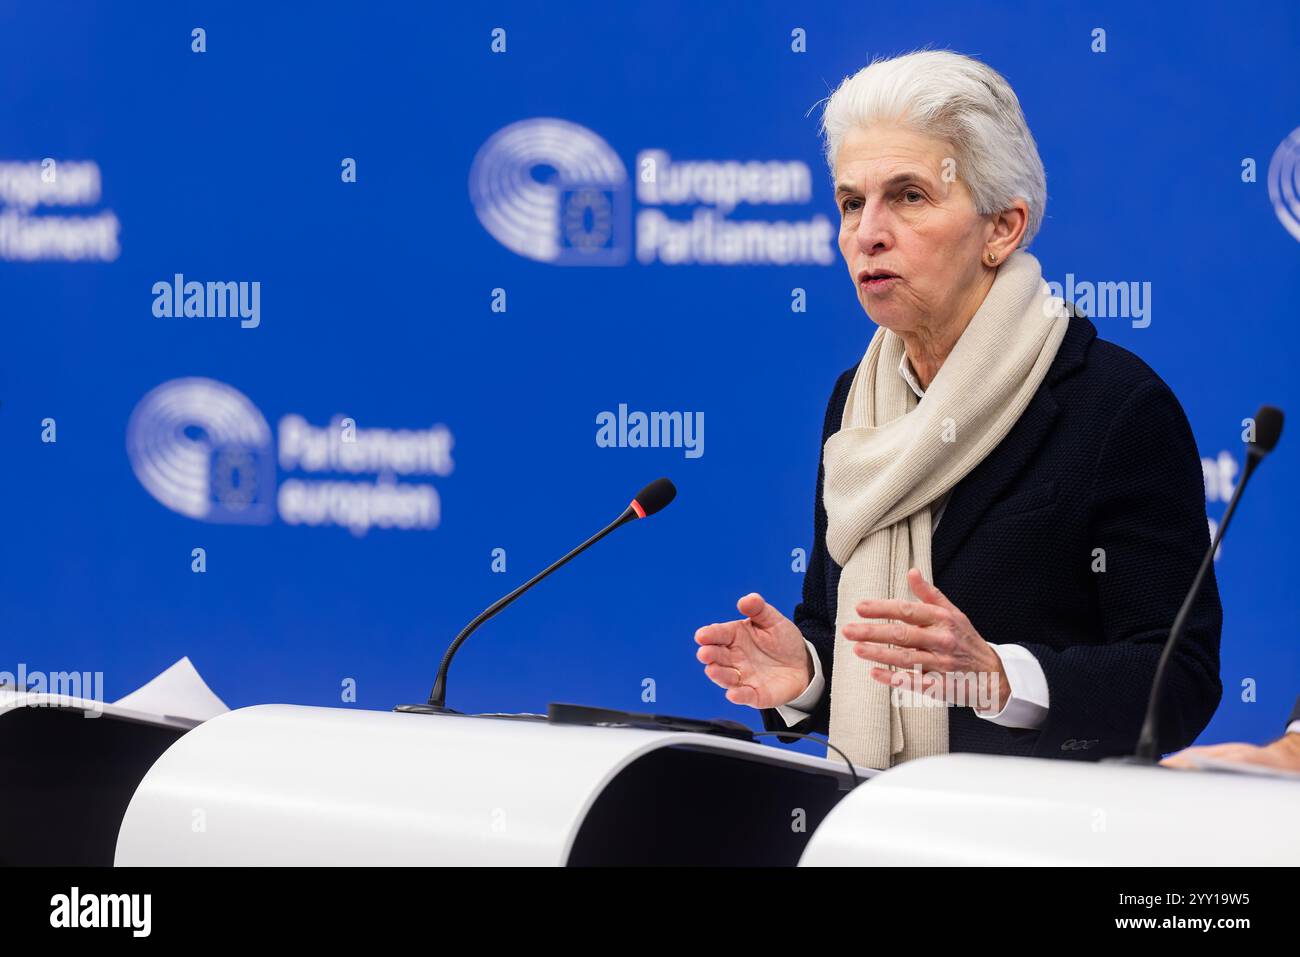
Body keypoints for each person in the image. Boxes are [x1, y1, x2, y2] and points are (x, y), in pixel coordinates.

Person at [693, 50, 1221, 768]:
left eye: (909, 195)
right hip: (869, 827)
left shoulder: (1115, 405)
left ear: (1002, 227)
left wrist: (1003, 679)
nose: (867, 232)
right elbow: (839, 634)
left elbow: (1180, 680)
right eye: (852, 201)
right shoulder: (858, 401)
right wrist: (806, 677)